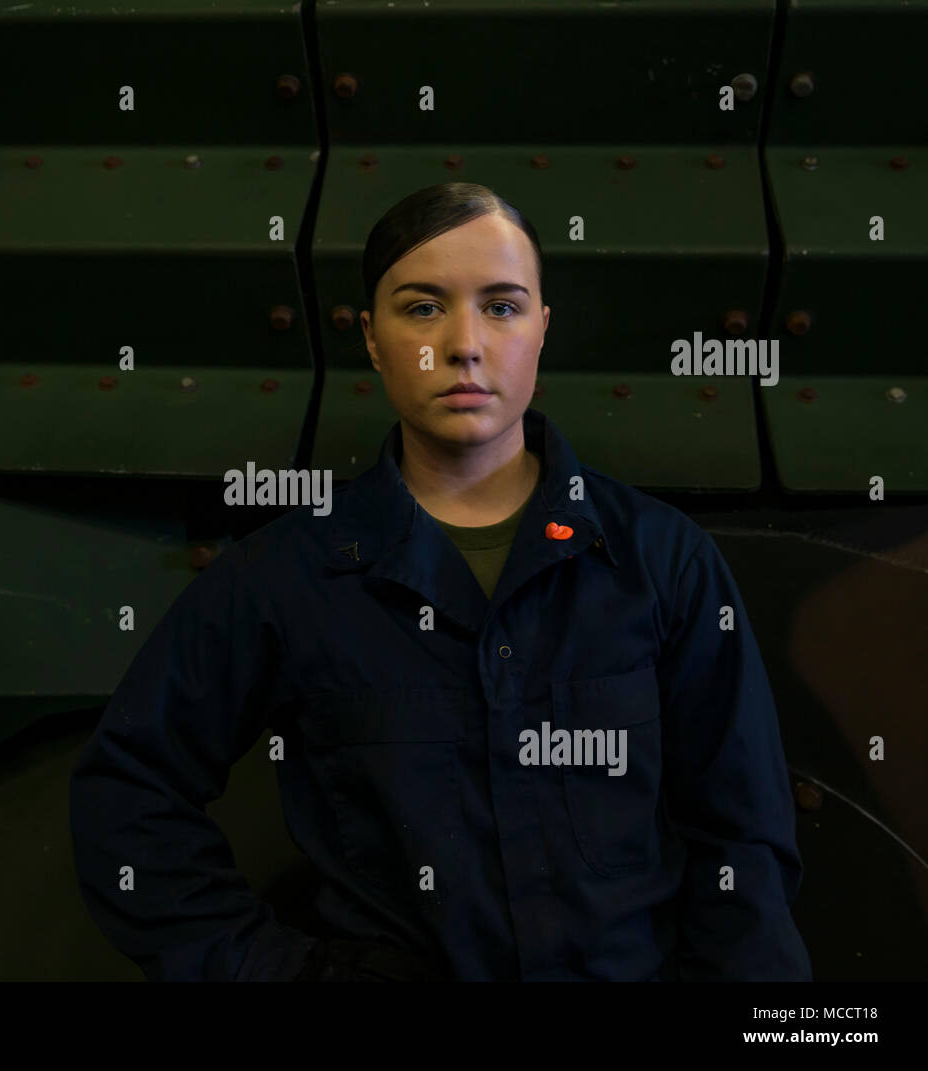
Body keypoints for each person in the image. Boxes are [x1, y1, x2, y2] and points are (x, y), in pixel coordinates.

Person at [70, 182, 811, 982]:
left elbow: (744, 845)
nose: (464, 343)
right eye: (422, 308)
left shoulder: (663, 563)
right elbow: (128, 795)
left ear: (541, 331)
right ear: (372, 340)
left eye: (501, 306)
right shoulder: (283, 578)